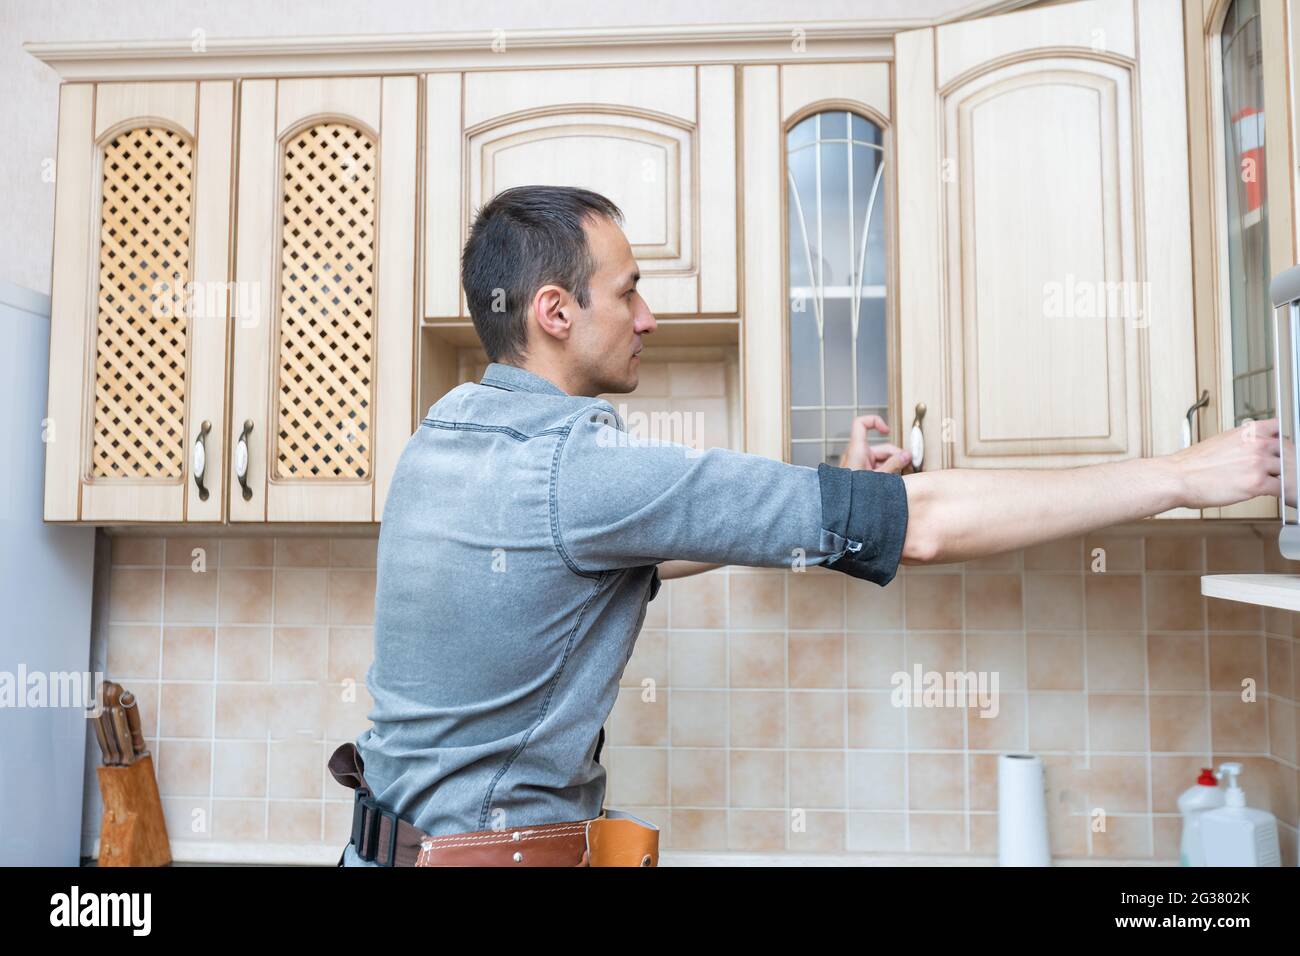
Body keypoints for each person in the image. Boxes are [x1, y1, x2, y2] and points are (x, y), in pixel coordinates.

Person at [338, 184, 1283, 866]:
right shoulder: (576, 469)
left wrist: (823, 492)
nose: (648, 316)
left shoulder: (443, 441)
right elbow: (927, 526)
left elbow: (604, 556)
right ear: (554, 311)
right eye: (627, 291)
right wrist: (1179, 475)